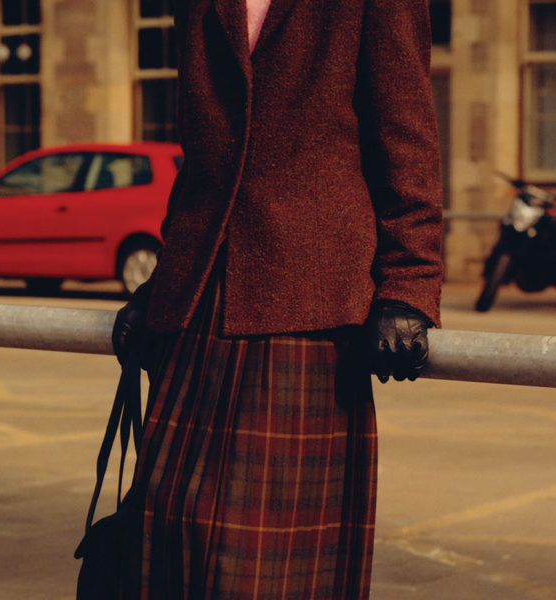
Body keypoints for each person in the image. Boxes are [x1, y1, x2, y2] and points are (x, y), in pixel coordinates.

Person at [111, 0, 443, 597]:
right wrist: (166, 281)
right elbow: (203, 152)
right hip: (196, 303)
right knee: (167, 540)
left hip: (308, 296)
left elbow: (406, 132)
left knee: (262, 567)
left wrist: (409, 285)